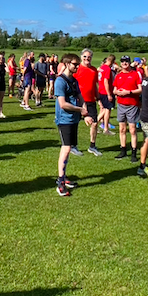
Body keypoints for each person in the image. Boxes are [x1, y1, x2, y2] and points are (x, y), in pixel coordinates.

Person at [53, 54, 95, 197]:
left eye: (78, 64)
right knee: (65, 148)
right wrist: (80, 110)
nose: (77, 66)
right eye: (75, 64)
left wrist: (85, 113)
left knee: (69, 147)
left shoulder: (74, 80)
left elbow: (81, 97)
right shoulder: (60, 82)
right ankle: (60, 182)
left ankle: (64, 177)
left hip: (74, 119)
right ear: (66, 64)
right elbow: (63, 104)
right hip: (64, 120)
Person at [112, 56, 142, 162]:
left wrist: (128, 92)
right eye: (123, 61)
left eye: (126, 61)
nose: (124, 63)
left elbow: (140, 89)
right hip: (121, 104)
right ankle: (123, 150)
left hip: (132, 104)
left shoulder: (135, 74)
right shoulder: (118, 75)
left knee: (133, 129)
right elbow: (114, 89)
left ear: (130, 63)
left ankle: (134, 152)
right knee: (122, 129)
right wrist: (118, 92)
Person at [75, 49, 102, 156]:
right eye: (85, 56)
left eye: (89, 56)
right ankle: (73, 145)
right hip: (79, 100)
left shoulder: (94, 70)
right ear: (81, 57)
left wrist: (99, 99)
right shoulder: (77, 69)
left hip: (91, 100)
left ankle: (92, 146)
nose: (87, 58)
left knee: (94, 123)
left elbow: (95, 86)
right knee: (75, 123)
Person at [97, 54, 116, 135]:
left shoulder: (101, 68)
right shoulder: (107, 69)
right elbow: (106, 81)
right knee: (107, 110)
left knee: (104, 109)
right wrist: (109, 94)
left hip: (101, 90)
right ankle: (105, 128)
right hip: (105, 91)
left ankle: (96, 124)